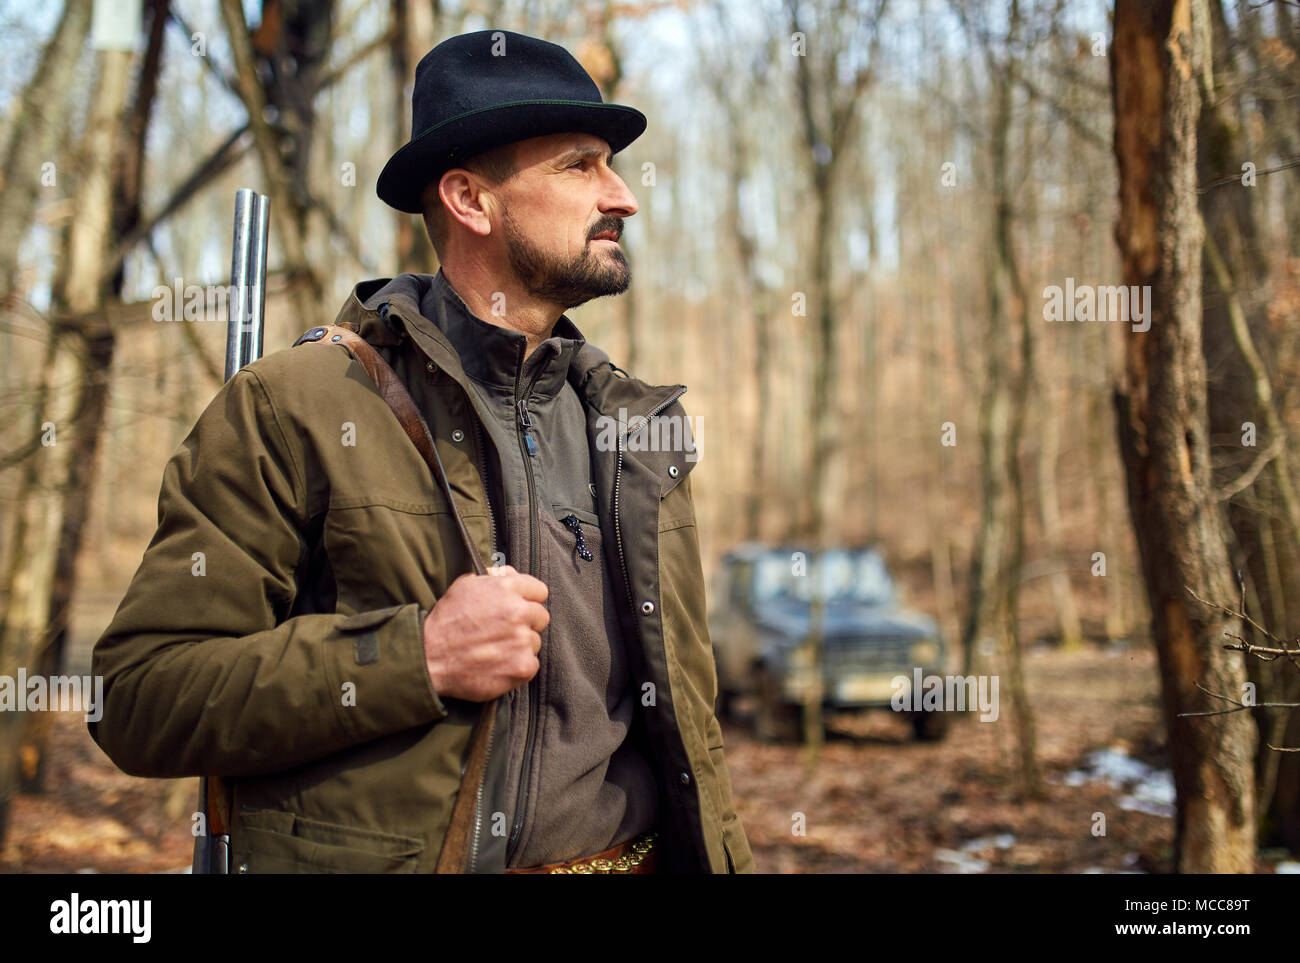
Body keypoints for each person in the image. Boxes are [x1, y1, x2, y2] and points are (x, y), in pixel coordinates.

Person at [88, 28, 755, 874]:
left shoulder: (635, 430)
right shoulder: (297, 404)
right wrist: (418, 656)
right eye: (579, 166)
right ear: (471, 200)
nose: (622, 195)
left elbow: (691, 735)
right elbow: (138, 694)